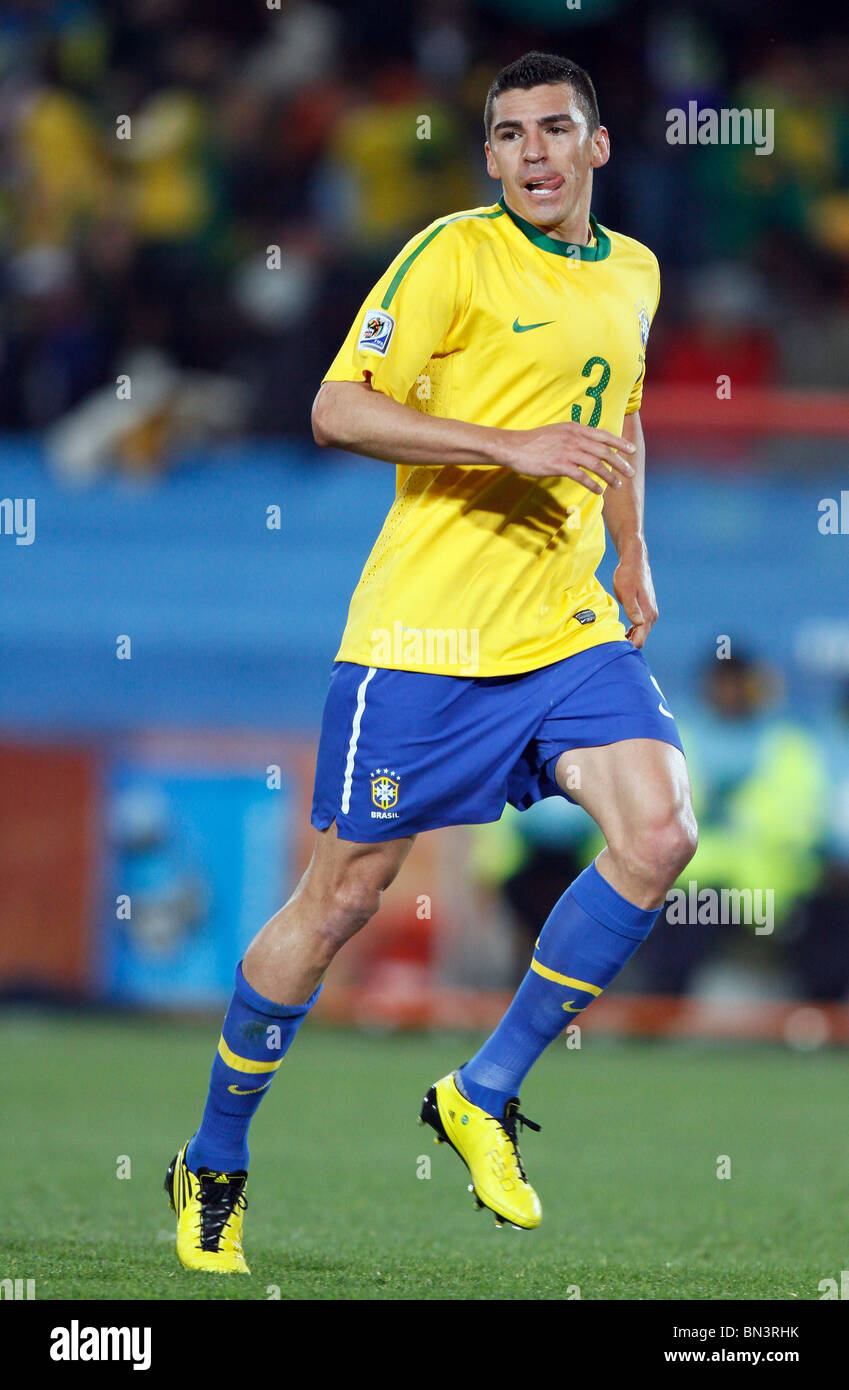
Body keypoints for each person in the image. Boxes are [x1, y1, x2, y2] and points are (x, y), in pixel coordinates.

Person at [165, 50, 698, 1273]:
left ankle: (483, 1087)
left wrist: (634, 555)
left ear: (598, 147)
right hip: (424, 640)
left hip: (563, 627)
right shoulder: (451, 255)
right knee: (343, 898)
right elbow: (337, 408)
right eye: (508, 135)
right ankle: (216, 1155)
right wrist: (503, 447)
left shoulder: (636, 271)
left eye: (555, 130)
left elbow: (616, 416)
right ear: (492, 155)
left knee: (660, 832)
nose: (532, 155)